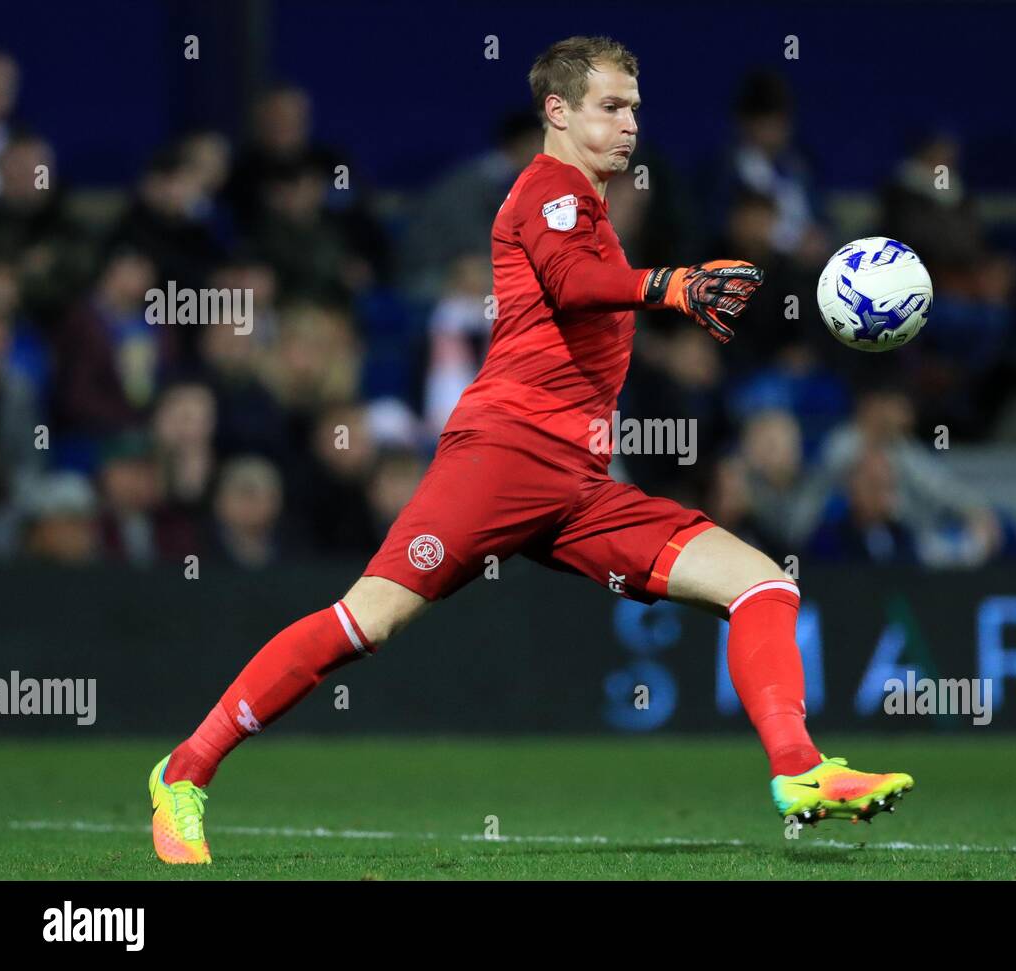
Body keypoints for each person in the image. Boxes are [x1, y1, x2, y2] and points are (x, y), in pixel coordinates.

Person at [148, 35, 912, 865]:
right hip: (502, 459)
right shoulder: (547, 191)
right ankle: (183, 773)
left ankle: (800, 771)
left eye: (635, 108)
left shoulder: (590, 207)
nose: (630, 126)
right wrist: (674, 284)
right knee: (368, 620)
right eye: (612, 107)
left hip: (578, 484)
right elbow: (573, 283)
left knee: (761, 582)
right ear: (558, 111)